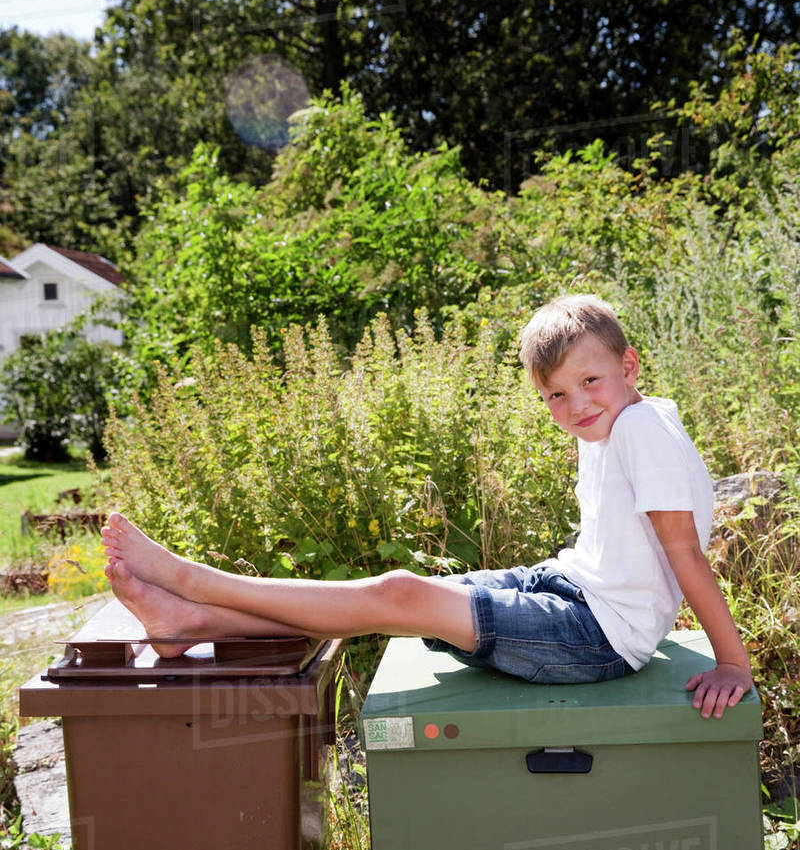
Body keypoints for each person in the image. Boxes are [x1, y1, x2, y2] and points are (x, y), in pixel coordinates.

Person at [101, 293, 753, 720]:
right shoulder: (633, 414)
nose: (575, 406)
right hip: (571, 586)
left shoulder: (639, 429)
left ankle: (192, 581)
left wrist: (732, 661)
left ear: (629, 364)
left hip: (597, 635)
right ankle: (190, 622)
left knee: (399, 592)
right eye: (555, 395)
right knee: (380, 601)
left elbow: (684, 553)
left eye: (589, 382)